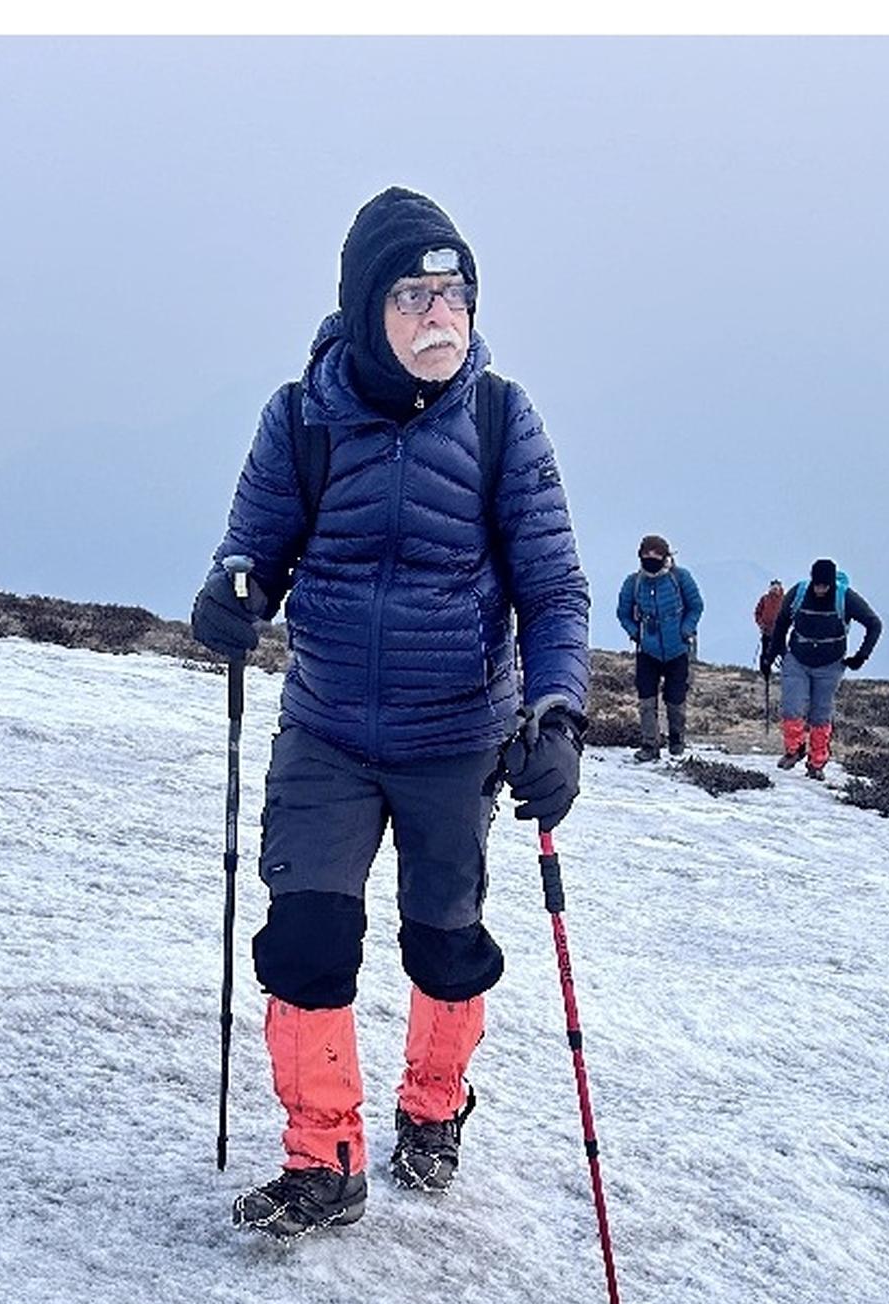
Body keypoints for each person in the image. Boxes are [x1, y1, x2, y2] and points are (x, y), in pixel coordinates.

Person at [190, 187, 591, 1240]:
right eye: (413, 295)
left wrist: (555, 713)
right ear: (368, 308)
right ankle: (325, 1159)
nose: (437, 317)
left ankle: (432, 1107)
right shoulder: (299, 417)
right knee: (306, 939)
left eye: (453, 293)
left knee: (444, 941)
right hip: (326, 730)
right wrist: (230, 596)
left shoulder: (503, 422)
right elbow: (253, 554)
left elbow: (553, 591)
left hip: (455, 738)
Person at [764, 557, 882, 778]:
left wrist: (861, 657)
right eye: (816, 584)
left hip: (831, 664)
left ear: (831, 584)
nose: (819, 589)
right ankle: (794, 749)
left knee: (820, 714)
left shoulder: (845, 597)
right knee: (791, 707)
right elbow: (781, 623)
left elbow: (874, 624)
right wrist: (771, 654)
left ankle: (817, 763)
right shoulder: (798, 593)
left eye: (824, 585)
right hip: (797, 659)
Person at [615, 534, 704, 761]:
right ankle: (649, 746)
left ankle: (676, 742)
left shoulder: (680, 578)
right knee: (646, 699)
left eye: (655, 556)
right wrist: (635, 633)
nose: (650, 560)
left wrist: (686, 630)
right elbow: (623, 613)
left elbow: (696, 606)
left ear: (666, 557)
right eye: (646, 556)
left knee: (675, 700)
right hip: (647, 650)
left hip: (678, 649)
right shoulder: (633, 583)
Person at [755, 579, 785, 676]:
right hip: (766, 631)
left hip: (779, 633)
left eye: (776, 588)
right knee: (765, 653)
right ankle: (765, 673)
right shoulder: (765, 599)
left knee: (782, 652)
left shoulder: (784, 600)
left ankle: (786, 672)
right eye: (773, 588)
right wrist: (761, 624)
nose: (774, 590)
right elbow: (757, 613)